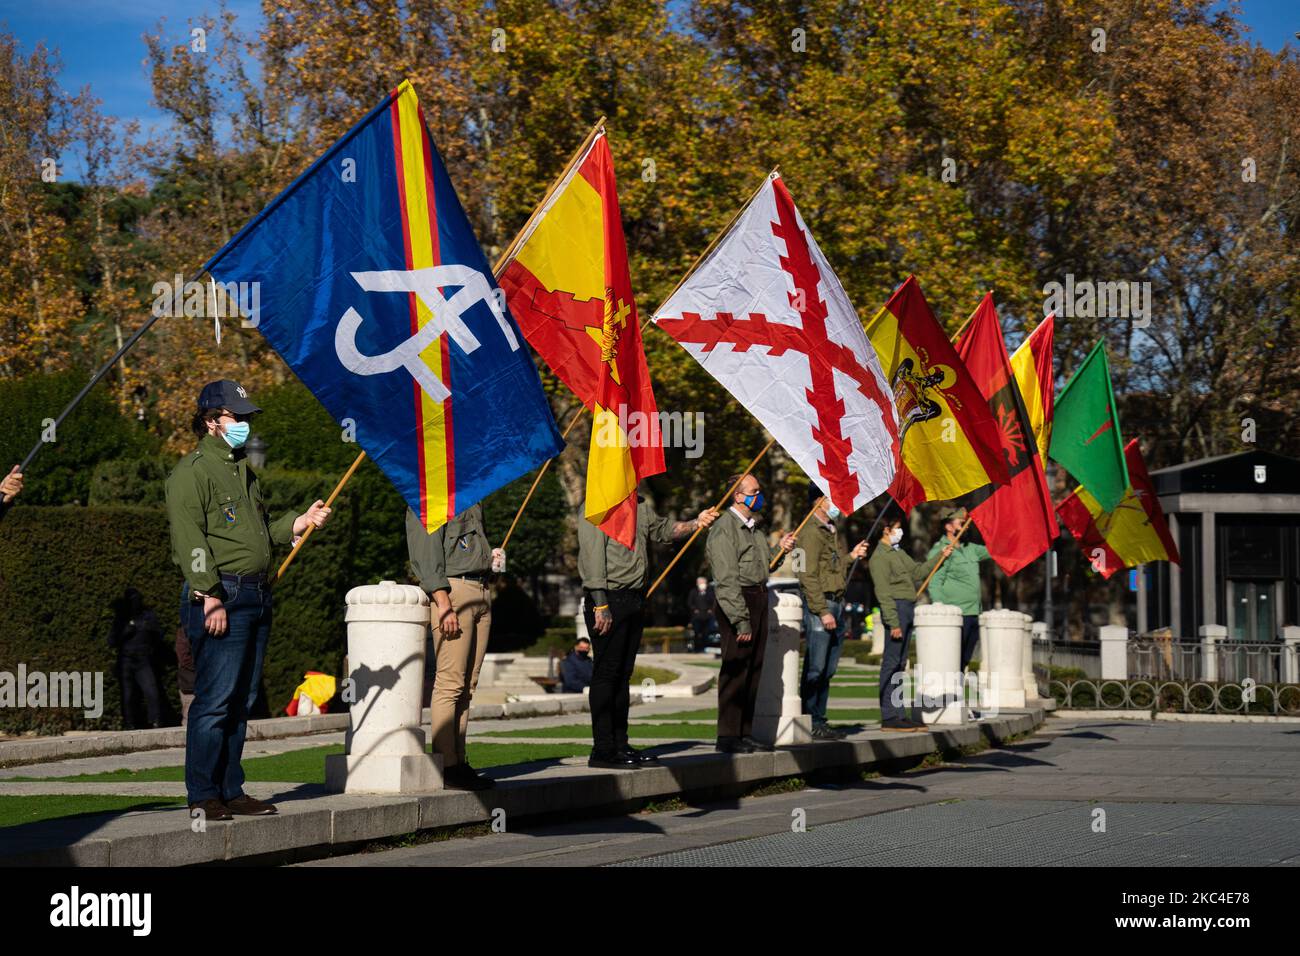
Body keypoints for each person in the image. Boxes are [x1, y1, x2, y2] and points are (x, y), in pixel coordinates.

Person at [167, 380, 331, 821]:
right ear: (212, 421)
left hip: (256, 592)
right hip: (222, 593)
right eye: (237, 417)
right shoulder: (193, 472)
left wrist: (300, 522)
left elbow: (261, 532)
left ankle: (230, 789)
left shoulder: (243, 469)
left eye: (245, 417)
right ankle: (204, 795)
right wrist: (209, 595)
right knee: (215, 700)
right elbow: (189, 540)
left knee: (242, 698)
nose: (244, 424)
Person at [578, 490, 716, 768]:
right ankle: (603, 750)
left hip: (634, 597)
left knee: (623, 674)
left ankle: (620, 744)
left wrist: (696, 523)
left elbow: (664, 531)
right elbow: (593, 556)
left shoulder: (639, 505)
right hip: (608, 598)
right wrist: (601, 604)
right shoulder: (597, 505)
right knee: (606, 672)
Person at [406, 503, 505, 791]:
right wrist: (443, 603)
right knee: (450, 683)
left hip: (481, 588)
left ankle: (459, 762)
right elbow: (426, 553)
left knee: (467, 685)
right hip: (453, 592)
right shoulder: (428, 495)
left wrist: (491, 559)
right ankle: (446, 764)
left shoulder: (471, 495)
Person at [706, 473, 795, 754]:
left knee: (753, 669)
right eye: (754, 491)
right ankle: (728, 736)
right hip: (739, 600)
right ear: (738, 496)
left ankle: (745, 733)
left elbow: (763, 564)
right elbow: (727, 578)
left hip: (758, 595)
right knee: (736, 669)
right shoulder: (724, 529)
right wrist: (740, 619)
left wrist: (780, 550)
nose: (760, 495)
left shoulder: (754, 527)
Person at [795, 490, 867, 740]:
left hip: (835, 601)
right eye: (830, 497)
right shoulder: (809, 532)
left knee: (828, 667)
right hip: (821, 604)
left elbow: (832, 567)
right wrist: (822, 610)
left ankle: (819, 719)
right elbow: (805, 574)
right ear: (818, 501)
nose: (836, 503)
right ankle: (809, 719)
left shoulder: (830, 529)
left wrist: (851, 556)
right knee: (816, 666)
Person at [868, 515, 950, 732]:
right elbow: (883, 593)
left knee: (900, 664)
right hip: (896, 608)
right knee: (891, 663)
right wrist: (893, 622)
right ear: (886, 530)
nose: (900, 531)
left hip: (907, 606)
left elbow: (918, 572)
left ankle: (899, 713)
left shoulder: (897, 552)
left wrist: (940, 557)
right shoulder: (879, 558)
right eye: (897, 528)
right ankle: (889, 715)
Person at [925, 508, 991, 671]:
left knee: (964, 660)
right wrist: (941, 610)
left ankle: (957, 692)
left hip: (974, 612)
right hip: (956, 614)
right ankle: (948, 694)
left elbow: (995, 550)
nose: (965, 524)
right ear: (948, 526)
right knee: (951, 660)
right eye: (960, 521)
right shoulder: (941, 551)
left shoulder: (971, 548)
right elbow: (934, 582)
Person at [108, 588, 164, 729]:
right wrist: (126, 631)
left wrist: (148, 630)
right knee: (128, 695)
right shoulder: (121, 619)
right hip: (126, 660)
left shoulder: (147, 616)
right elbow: (111, 640)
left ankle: (155, 720)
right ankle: (129, 723)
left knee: (151, 690)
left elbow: (159, 634)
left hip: (143, 659)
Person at [687, 576, 717, 650]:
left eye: (703, 583)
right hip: (697, 617)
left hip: (708, 616)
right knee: (697, 633)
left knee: (707, 633)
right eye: (700, 583)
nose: (702, 584)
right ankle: (697, 648)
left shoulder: (710, 592)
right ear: (697, 584)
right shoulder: (693, 592)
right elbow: (689, 603)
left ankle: (706, 647)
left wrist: (711, 609)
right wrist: (694, 609)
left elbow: (713, 602)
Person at [175, 627, 196, 725]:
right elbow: (184, 659)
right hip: (190, 683)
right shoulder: (184, 630)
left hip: (196, 681)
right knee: (189, 719)